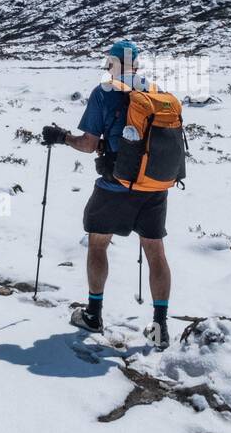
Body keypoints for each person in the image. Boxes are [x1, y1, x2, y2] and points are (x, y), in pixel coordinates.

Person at [42, 40, 174, 349]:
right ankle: (160, 328)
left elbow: (88, 144)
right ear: (137, 65)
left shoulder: (104, 93)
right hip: (153, 187)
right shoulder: (154, 92)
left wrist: (61, 137)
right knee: (155, 252)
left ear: (112, 63)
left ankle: (93, 314)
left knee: (98, 243)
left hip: (116, 186)